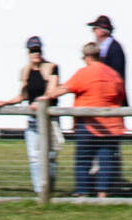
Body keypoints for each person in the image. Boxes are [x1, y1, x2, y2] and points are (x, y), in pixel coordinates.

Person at [45, 41, 126, 198]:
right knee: (106, 160)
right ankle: (102, 193)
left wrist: (47, 95)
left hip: (89, 125)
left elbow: (62, 90)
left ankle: (82, 192)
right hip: (111, 126)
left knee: (83, 160)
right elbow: (121, 97)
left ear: (87, 57)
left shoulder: (84, 73)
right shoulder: (114, 74)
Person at [0, 36, 60, 195]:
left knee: (50, 155)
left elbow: (52, 90)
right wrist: (6, 102)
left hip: (48, 118)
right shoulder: (26, 71)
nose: (35, 53)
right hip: (32, 118)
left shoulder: (52, 67)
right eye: (32, 50)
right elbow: (23, 96)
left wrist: (40, 101)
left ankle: (48, 188)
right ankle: (39, 191)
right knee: (34, 156)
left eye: (37, 50)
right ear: (28, 53)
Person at [88, 15, 125, 79]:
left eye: (95, 28)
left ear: (102, 31)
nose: (94, 32)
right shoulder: (103, 47)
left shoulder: (115, 49)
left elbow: (117, 74)